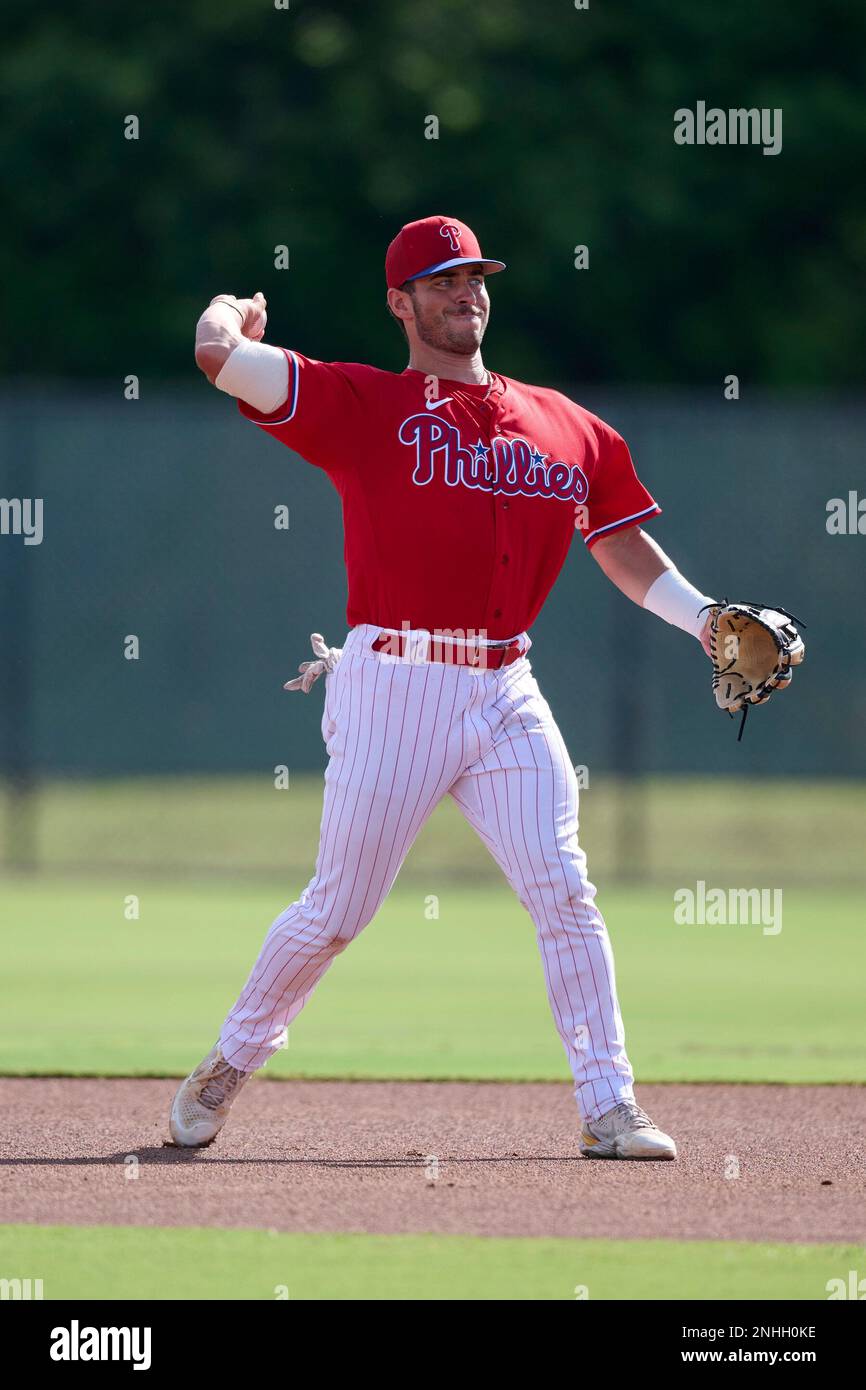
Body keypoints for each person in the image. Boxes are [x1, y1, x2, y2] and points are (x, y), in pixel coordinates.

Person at [171, 215, 721, 1161]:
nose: (464, 293)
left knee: (566, 893)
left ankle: (610, 1104)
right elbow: (217, 354)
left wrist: (707, 620)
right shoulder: (362, 404)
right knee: (339, 910)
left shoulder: (566, 424)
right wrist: (235, 309)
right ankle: (229, 1061)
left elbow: (620, 543)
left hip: (509, 684)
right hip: (396, 683)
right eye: (440, 282)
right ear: (401, 302)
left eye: (474, 278)